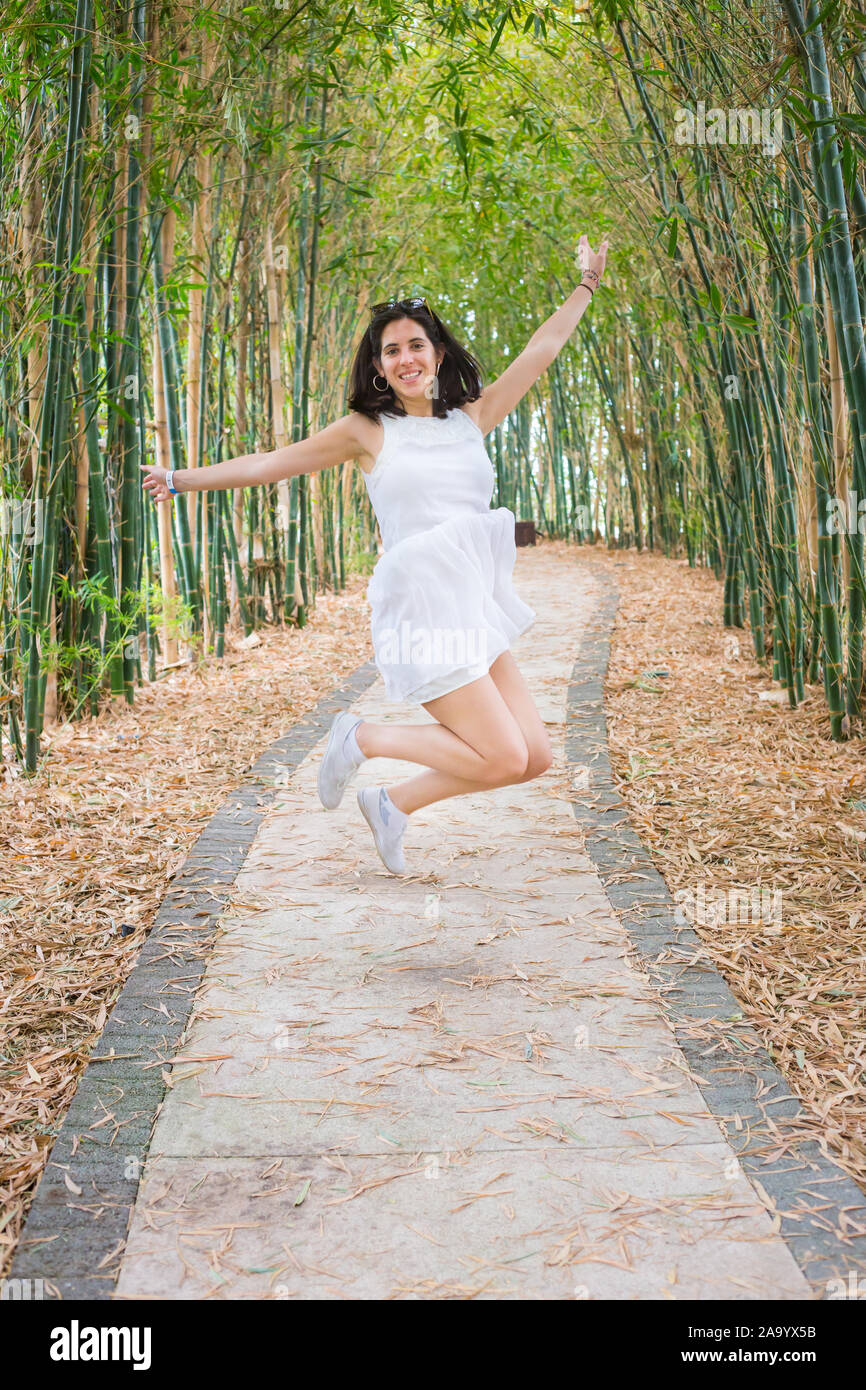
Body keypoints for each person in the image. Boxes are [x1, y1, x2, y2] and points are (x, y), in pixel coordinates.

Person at [141, 234, 609, 874]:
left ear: (437, 353)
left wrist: (587, 284)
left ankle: (391, 803)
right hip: (423, 603)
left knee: (534, 756)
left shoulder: (472, 418)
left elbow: (542, 349)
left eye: (416, 344)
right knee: (500, 755)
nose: (406, 357)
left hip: (473, 603)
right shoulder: (367, 431)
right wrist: (181, 478)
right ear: (379, 367)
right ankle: (361, 737)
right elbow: (273, 463)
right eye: (392, 351)